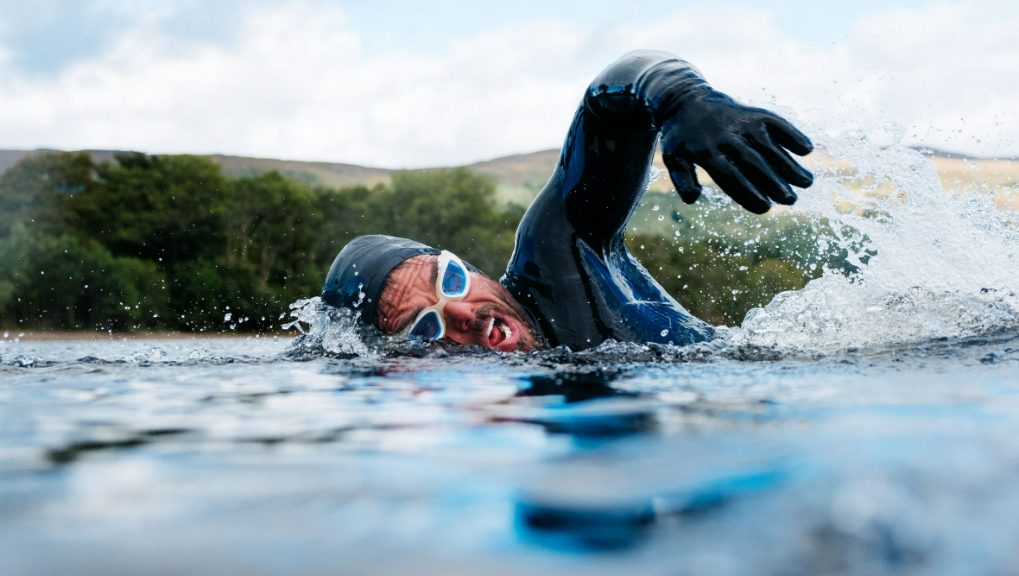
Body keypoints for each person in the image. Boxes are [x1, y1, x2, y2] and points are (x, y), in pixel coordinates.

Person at [321, 50, 814, 352]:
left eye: (451, 281)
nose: (465, 314)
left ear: (473, 268)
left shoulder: (559, 251)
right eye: (425, 328)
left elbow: (608, 98)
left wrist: (680, 98)